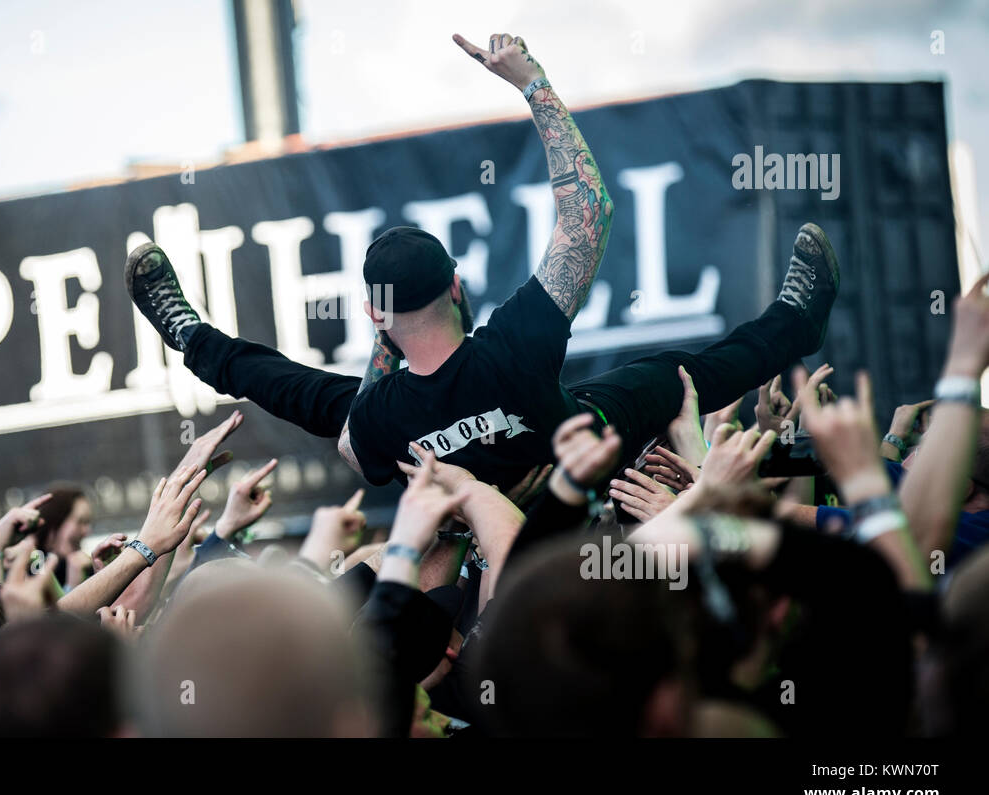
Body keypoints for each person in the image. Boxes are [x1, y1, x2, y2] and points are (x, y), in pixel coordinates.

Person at [126, 31, 840, 493]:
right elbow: (588, 215)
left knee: (298, 391)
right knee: (676, 374)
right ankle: (795, 323)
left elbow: (355, 449)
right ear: (458, 287)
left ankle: (187, 335)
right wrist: (532, 84)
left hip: (422, 437)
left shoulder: (378, 419)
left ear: (377, 313)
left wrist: (384, 361)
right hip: (569, 455)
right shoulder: (512, 347)